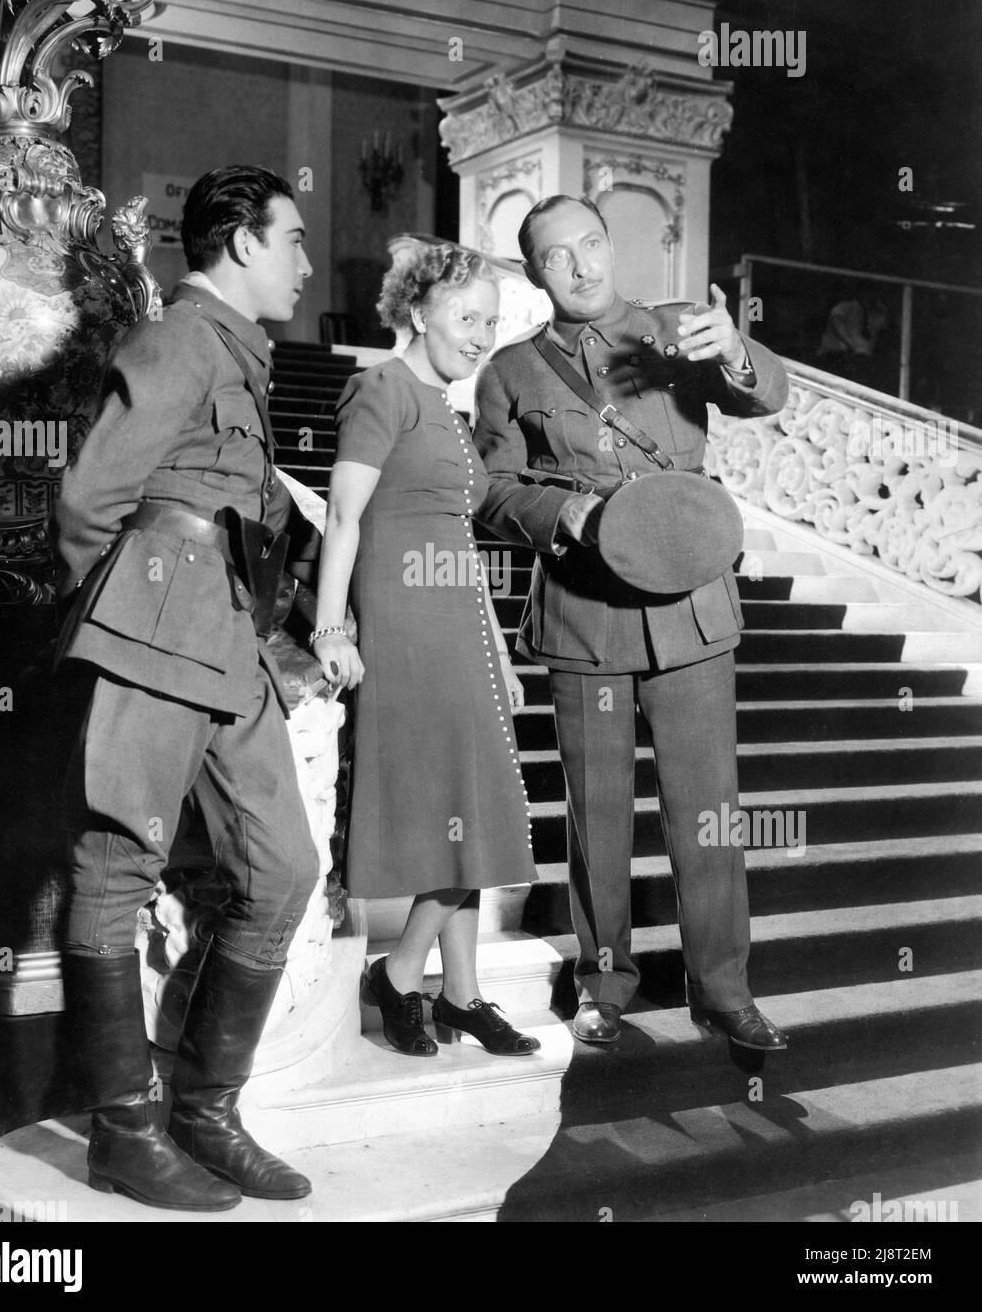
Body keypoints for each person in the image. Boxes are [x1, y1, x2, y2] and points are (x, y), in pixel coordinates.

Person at [52, 165, 321, 1211]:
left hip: (229, 645)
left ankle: (205, 1111)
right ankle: (125, 1131)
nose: (303, 259)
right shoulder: (176, 340)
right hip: (161, 633)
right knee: (116, 872)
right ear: (241, 243)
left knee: (285, 869)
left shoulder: (239, 355)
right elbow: (89, 502)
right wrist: (124, 626)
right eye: (292, 237)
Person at [473, 194, 790, 1050]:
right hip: (585, 613)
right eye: (556, 255)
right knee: (597, 812)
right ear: (533, 271)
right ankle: (601, 979)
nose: (580, 266)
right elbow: (490, 491)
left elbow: (765, 397)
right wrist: (559, 511)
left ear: (612, 247)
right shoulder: (508, 372)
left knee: (707, 810)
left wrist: (738, 350)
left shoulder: (678, 330)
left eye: (591, 245)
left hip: (688, 606)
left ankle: (723, 988)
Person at [311, 242, 540, 1059]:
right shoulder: (383, 388)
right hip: (407, 630)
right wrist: (332, 628)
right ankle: (402, 975)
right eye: (466, 317)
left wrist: (501, 653)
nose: (481, 335)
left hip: (460, 629)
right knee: (466, 809)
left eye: (491, 321)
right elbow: (343, 517)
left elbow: (460, 537)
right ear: (417, 312)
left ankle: (463, 993)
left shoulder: (443, 404)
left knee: (470, 811)